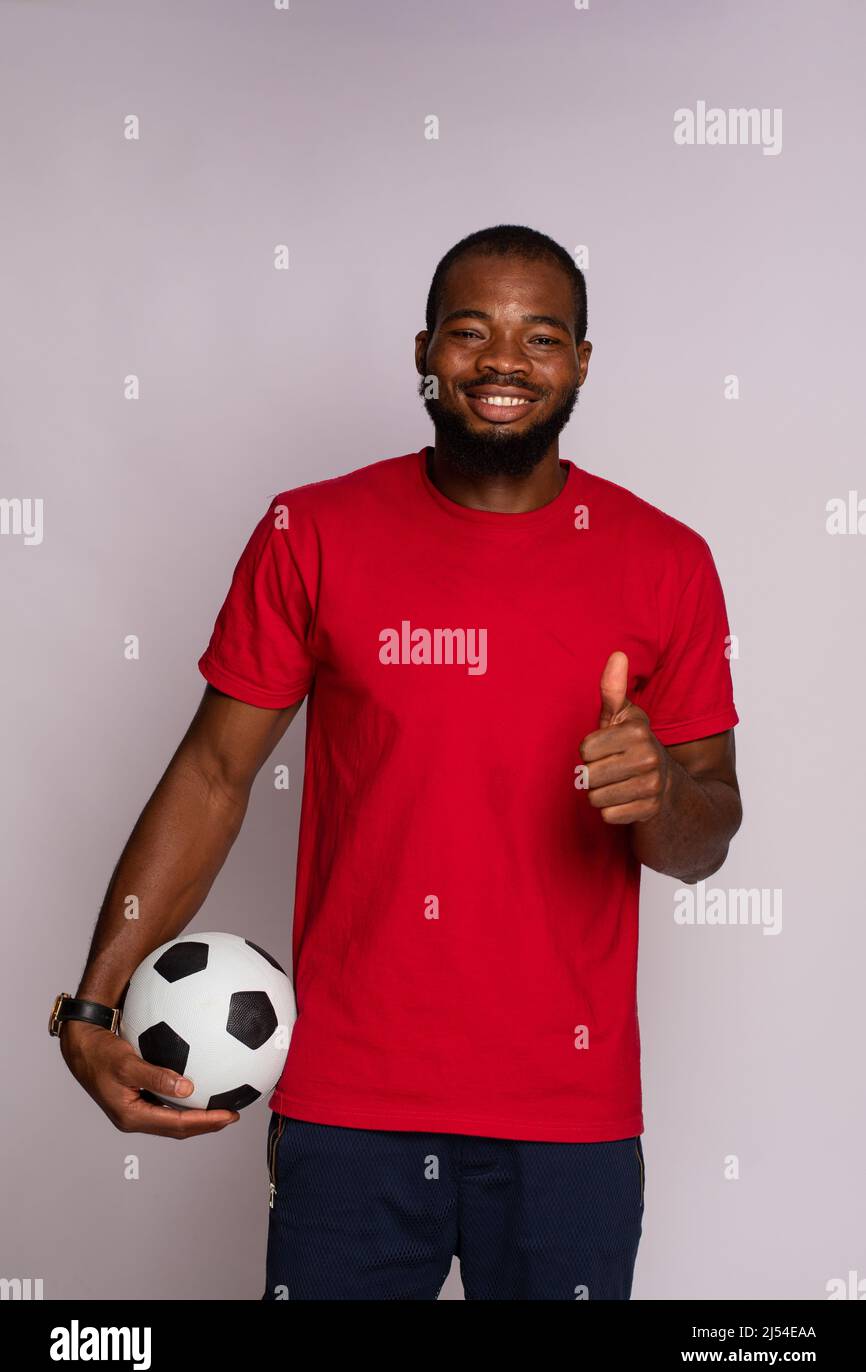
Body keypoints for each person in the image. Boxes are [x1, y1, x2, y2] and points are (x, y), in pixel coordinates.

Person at [55, 224, 742, 1300]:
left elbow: (704, 838)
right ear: (423, 349)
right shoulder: (311, 532)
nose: (503, 361)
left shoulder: (666, 562)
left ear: (582, 362)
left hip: (569, 1119)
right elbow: (211, 776)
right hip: (349, 1108)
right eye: (470, 332)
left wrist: (658, 795)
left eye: (540, 336)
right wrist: (91, 1005)